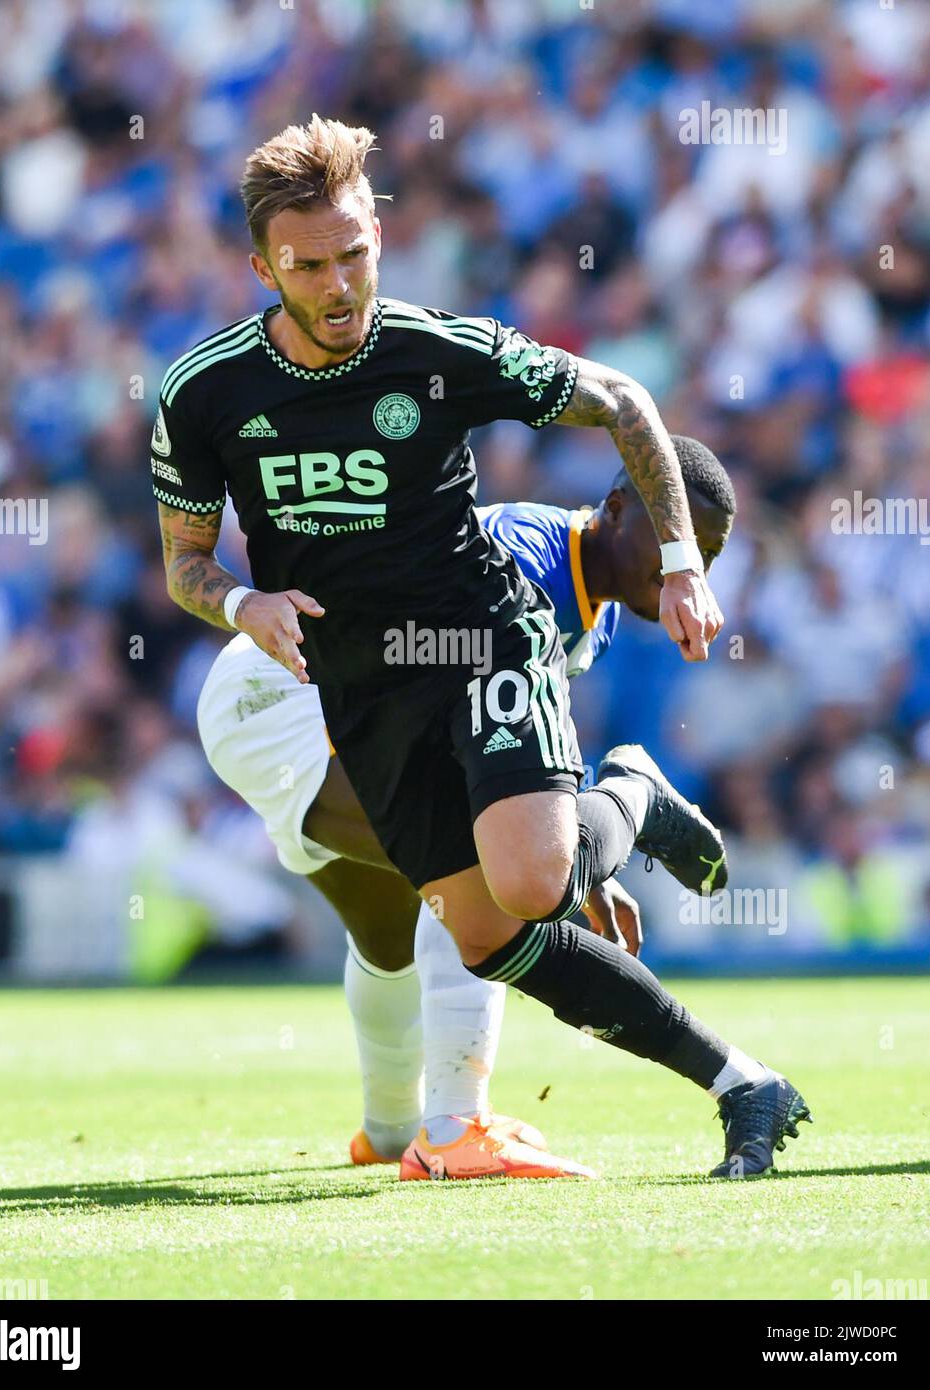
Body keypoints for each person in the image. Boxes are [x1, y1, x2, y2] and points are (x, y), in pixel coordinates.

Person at [155, 116, 811, 1180]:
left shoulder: (435, 350)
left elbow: (621, 400)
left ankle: (618, 820)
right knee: (485, 934)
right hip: (347, 688)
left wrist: (685, 554)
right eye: (308, 265)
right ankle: (740, 1077)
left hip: (473, 641)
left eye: (354, 254)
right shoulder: (203, 393)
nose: (337, 286)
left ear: (379, 237)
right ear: (261, 265)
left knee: (525, 885)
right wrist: (240, 603)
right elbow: (184, 564)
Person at [197, 436, 734, 1179]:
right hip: (292, 694)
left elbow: (522, 752)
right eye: (674, 538)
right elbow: (405, 667)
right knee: (472, 867)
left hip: (295, 701)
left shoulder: (595, 612)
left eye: (704, 554)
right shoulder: (524, 559)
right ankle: (454, 1125)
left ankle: (389, 1131)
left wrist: (578, 858)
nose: (687, 567)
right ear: (615, 507)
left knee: (386, 941)